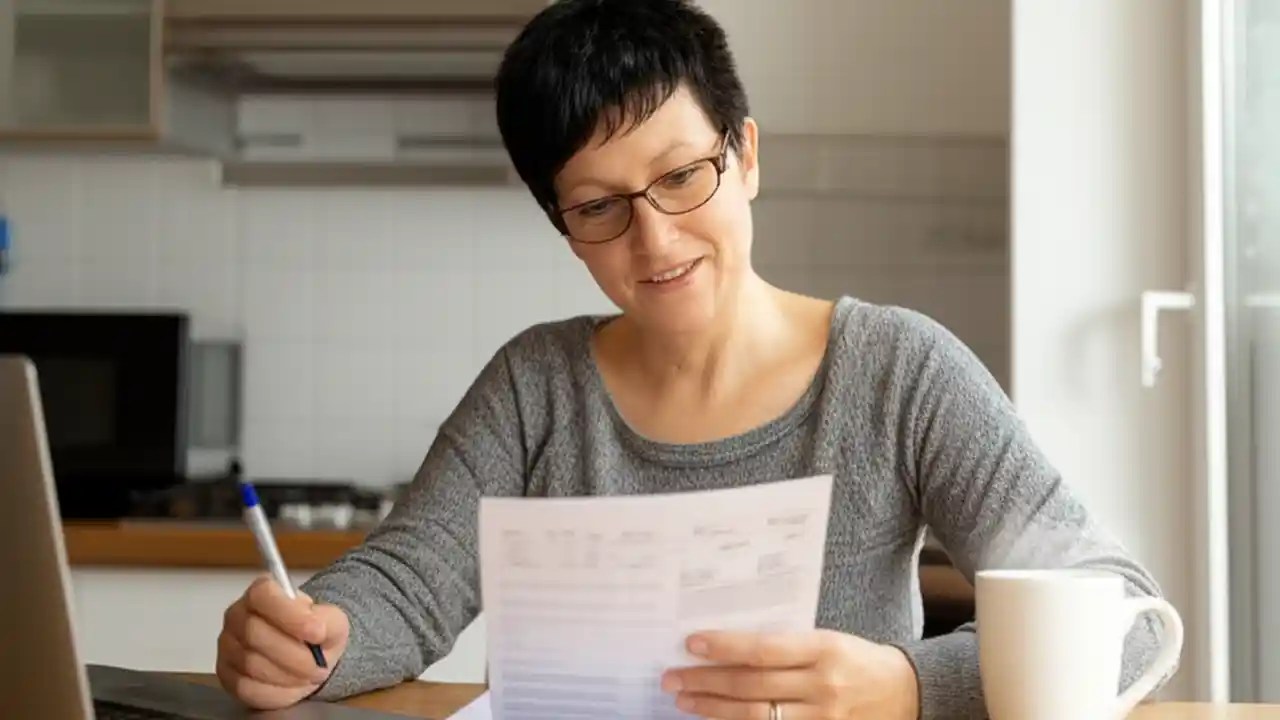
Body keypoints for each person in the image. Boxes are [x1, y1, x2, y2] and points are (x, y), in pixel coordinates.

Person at [214, 0, 1173, 717]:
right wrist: (317, 634)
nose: (657, 239)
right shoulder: (534, 386)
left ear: (746, 155)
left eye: (681, 177)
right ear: (565, 227)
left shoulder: (897, 371)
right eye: (600, 207)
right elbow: (409, 584)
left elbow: (1123, 619)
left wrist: (905, 685)